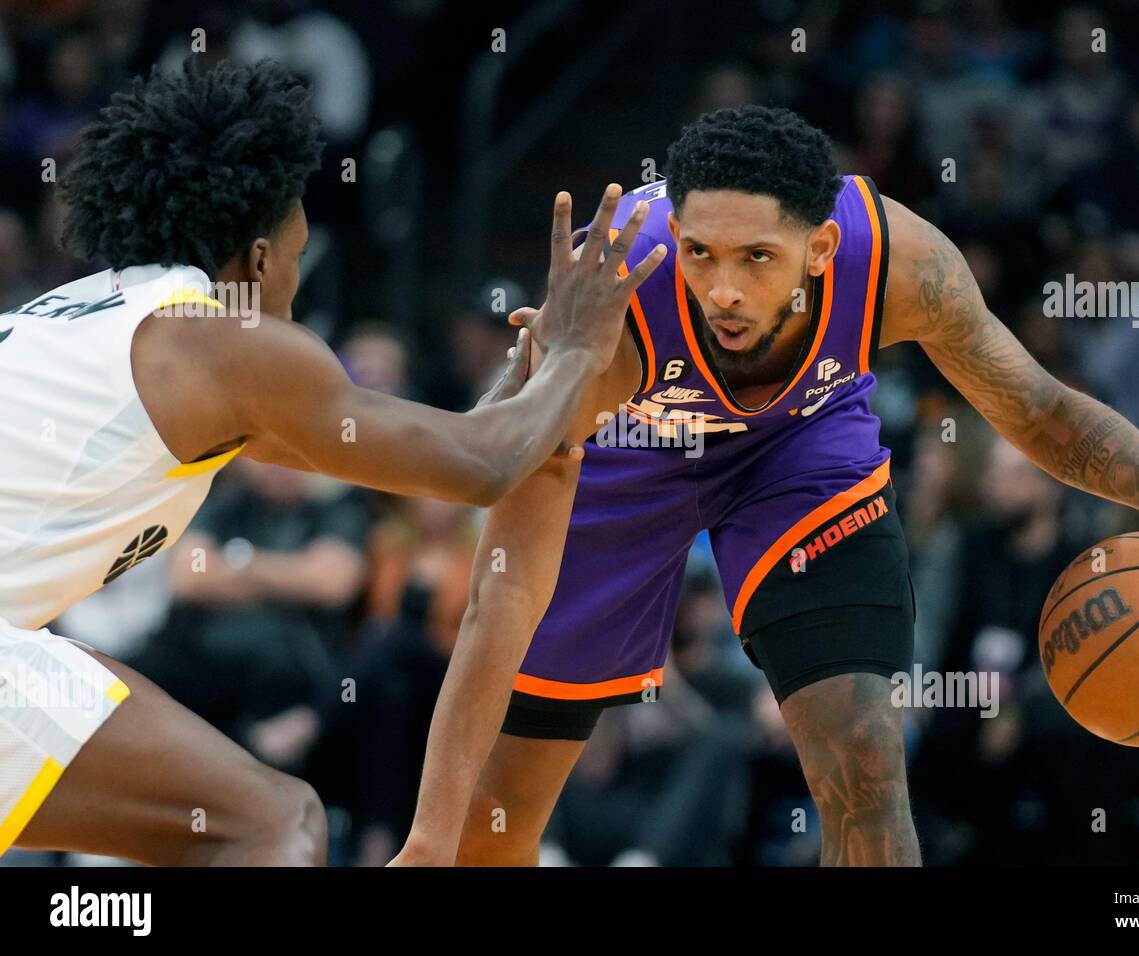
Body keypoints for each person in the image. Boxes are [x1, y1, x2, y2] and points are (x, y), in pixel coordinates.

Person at [394, 105, 1139, 867]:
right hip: (623, 458)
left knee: (863, 753)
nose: (723, 290)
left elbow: (1037, 409)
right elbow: (502, 594)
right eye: (699, 252)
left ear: (819, 247)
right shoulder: (611, 305)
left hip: (800, 451)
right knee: (492, 826)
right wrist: (428, 839)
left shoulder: (896, 261)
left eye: (756, 258)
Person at [0, 56, 664, 864]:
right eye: (293, 259)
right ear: (253, 261)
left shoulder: (97, 321)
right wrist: (578, 347)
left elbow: (453, 453)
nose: (294, 293)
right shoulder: (224, 344)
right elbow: (483, 467)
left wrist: (536, 366)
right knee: (277, 826)